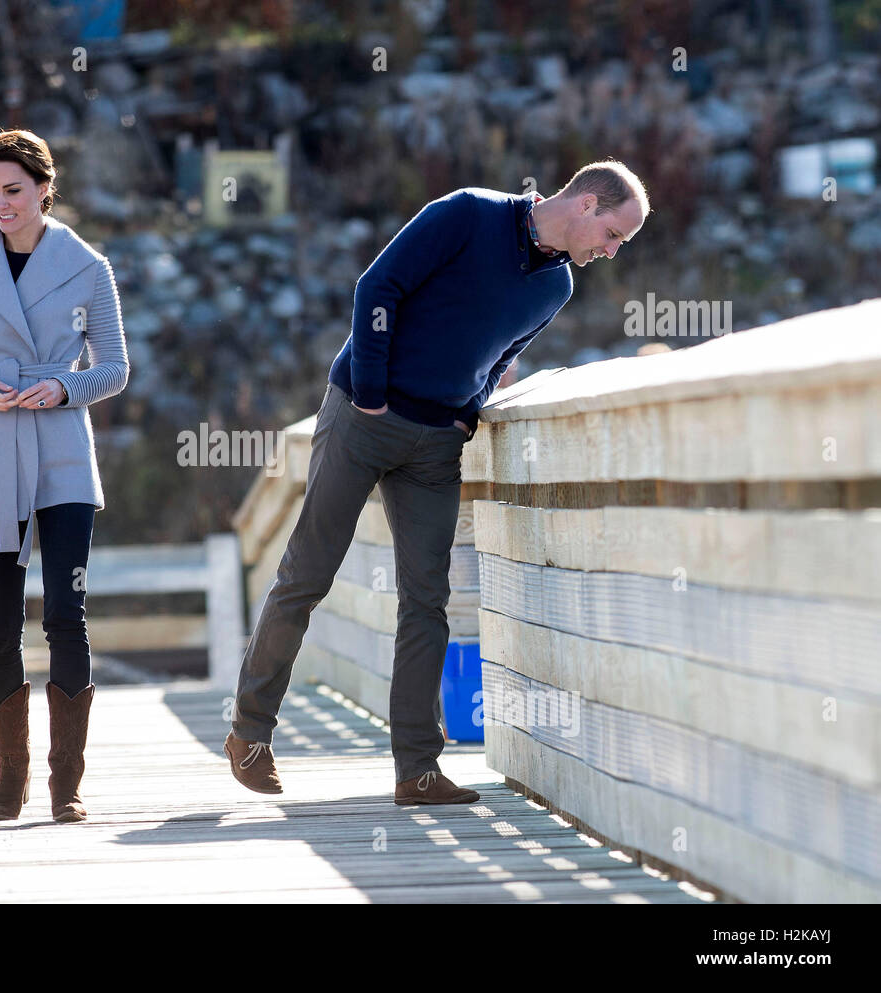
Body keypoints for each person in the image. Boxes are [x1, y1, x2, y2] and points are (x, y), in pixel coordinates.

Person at [225, 160, 649, 805]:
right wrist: (368, 392)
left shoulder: (556, 286)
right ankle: (250, 730)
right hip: (363, 419)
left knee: (426, 600)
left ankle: (417, 770)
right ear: (587, 204)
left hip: (436, 444)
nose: (611, 251)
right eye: (614, 234)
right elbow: (378, 288)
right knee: (306, 575)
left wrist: (466, 409)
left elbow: (505, 354)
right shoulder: (468, 213)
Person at [0, 129, 128, 823]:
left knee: (67, 614)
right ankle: (11, 779)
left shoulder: (88, 265)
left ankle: (65, 782)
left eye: (13, 191)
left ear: (44, 187)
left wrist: (65, 389)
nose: (0, 205)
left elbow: (115, 366)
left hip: (62, 444)